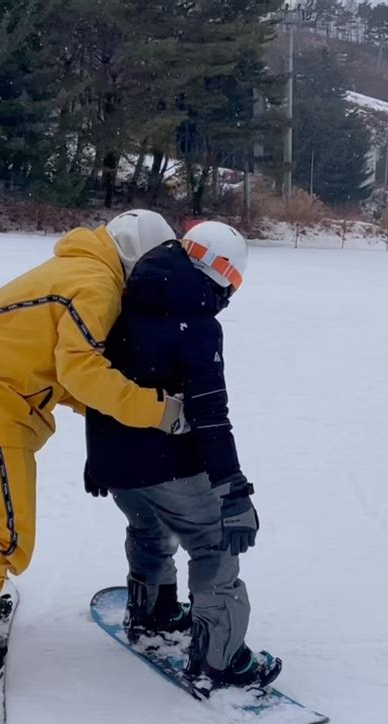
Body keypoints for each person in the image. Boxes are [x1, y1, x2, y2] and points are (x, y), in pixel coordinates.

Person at [0, 209, 187, 682]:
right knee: (3, 538)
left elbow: (61, 371)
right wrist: (158, 410)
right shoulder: (96, 284)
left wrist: (115, 419)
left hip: (1, 395)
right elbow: (82, 371)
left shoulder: (74, 267)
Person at [85, 221, 281, 689]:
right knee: (213, 542)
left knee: (149, 529)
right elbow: (210, 415)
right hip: (167, 463)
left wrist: (100, 460)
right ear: (224, 275)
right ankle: (221, 659)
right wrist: (233, 492)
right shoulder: (197, 323)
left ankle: (154, 611)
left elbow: (99, 384)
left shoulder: (123, 302)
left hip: (120, 465)